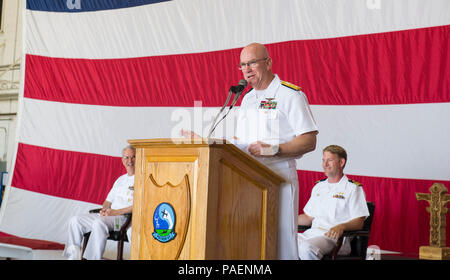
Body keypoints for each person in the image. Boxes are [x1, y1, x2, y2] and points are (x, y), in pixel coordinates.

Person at [235, 43, 319, 260]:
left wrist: (274, 149)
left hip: (279, 177)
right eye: (243, 65)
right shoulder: (246, 99)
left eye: (252, 62)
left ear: (268, 62)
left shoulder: (290, 95)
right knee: (252, 243)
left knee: (281, 245)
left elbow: (309, 140)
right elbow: (241, 141)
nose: (247, 69)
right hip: (248, 180)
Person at [297, 145, 370, 260]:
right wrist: (285, 220)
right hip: (311, 234)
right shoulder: (319, 187)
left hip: (334, 238)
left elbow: (359, 221)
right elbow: (308, 217)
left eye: (329, 160)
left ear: (341, 162)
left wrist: (342, 226)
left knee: (305, 248)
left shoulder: (353, 188)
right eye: (323, 160)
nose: (325, 164)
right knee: (283, 243)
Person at [63, 145, 135, 260]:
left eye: (133, 157)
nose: (130, 161)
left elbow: (138, 206)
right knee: (75, 221)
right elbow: (108, 201)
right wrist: (104, 210)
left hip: (123, 219)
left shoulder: (142, 179)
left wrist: (115, 212)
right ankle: (72, 257)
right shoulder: (120, 180)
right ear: (122, 160)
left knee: (99, 223)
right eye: (126, 157)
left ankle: (93, 258)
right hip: (110, 216)